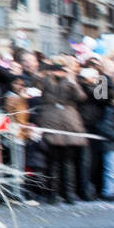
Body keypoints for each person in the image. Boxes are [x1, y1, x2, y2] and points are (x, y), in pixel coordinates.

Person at [35, 60, 88, 204]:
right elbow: (40, 87)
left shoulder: (70, 81)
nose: (61, 73)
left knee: (68, 162)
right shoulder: (46, 81)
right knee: (53, 162)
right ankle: (53, 194)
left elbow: (81, 97)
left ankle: (69, 193)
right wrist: (50, 75)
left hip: (69, 124)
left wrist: (72, 82)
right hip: (51, 123)